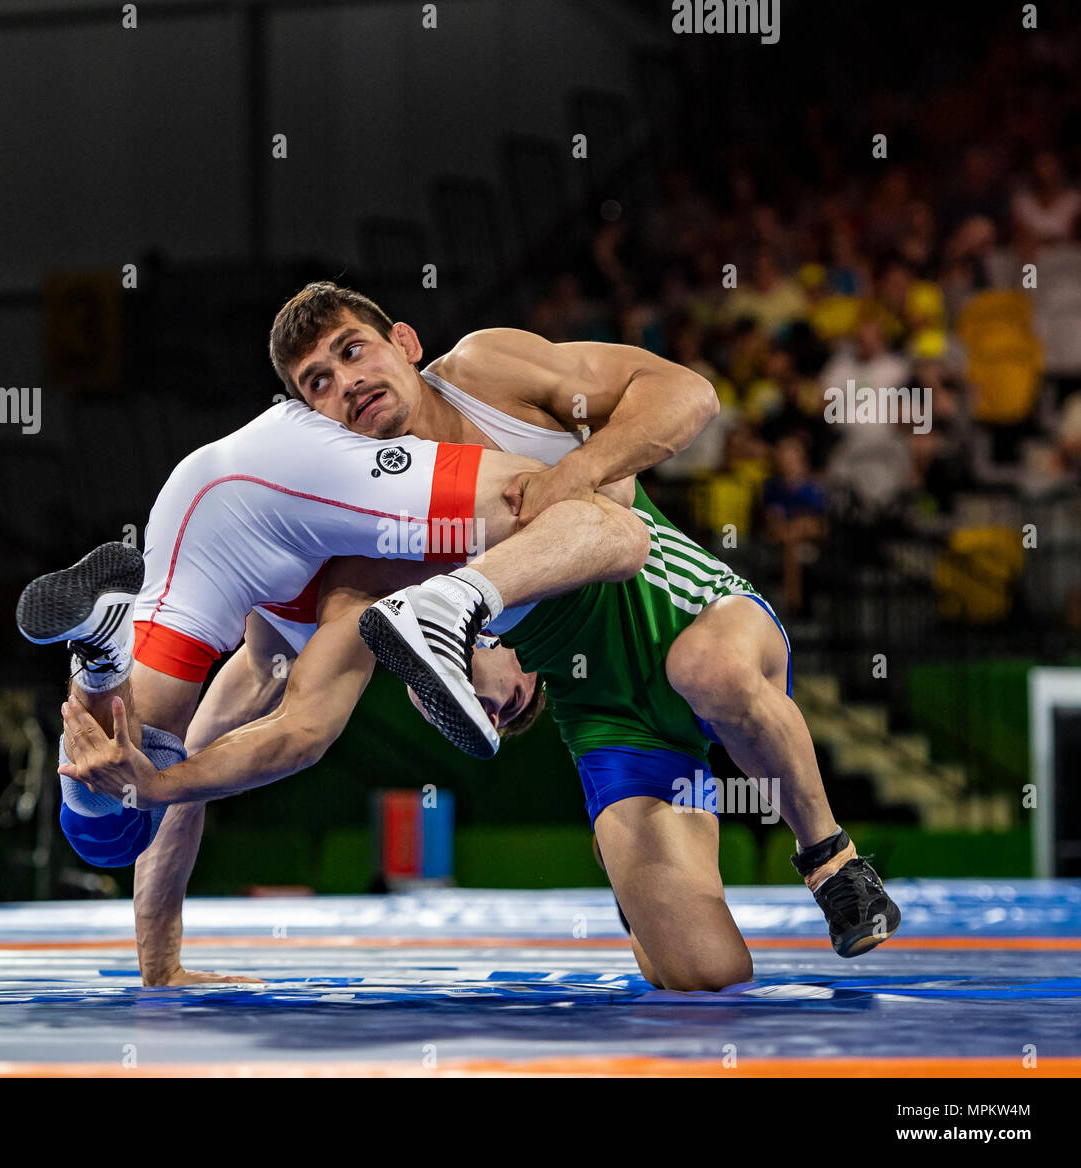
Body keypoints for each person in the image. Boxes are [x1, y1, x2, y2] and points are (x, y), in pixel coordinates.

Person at [62, 282, 900, 989]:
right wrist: (158, 935)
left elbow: (688, 393)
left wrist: (572, 473)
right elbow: (269, 712)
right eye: (316, 382)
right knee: (702, 974)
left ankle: (831, 860)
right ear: (308, 415)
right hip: (603, 712)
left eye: (353, 353)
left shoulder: (486, 372)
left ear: (405, 341)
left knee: (705, 664)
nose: (344, 383)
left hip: (690, 610)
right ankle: (641, 891)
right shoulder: (362, 548)